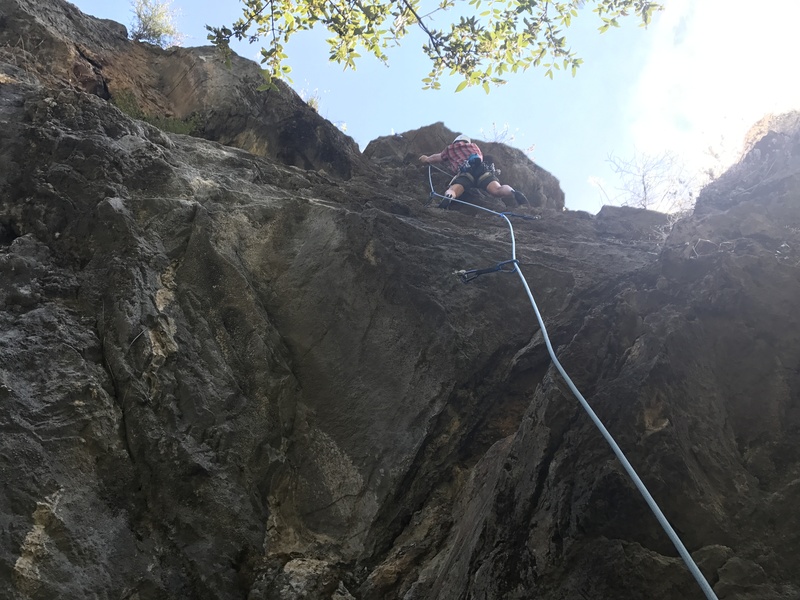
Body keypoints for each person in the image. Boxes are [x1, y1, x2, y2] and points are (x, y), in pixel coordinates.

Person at [419, 134, 529, 209]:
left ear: (456, 141)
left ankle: (449, 196)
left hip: (466, 171)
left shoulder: (450, 148)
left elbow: (436, 158)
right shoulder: (474, 146)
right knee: (497, 189)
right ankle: (513, 192)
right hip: (482, 170)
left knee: (454, 189)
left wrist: (426, 158)